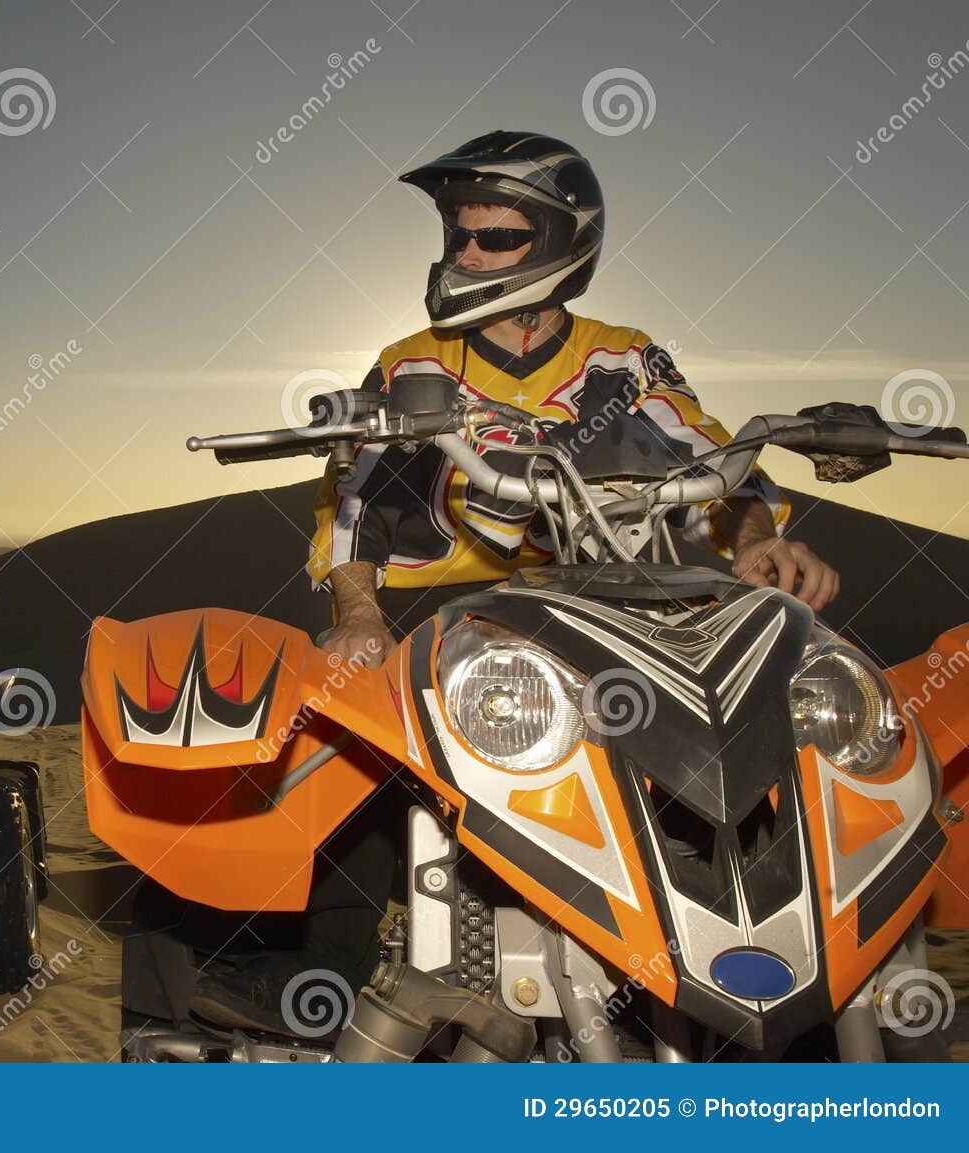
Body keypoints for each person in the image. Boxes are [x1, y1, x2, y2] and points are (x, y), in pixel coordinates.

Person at [187, 130, 841, 1035]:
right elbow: (353, 495)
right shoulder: (414, 360)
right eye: (459, 234)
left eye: (494, 239)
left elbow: (715, 454)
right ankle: (318, 976)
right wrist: (360, 610)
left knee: (747, 719)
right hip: (435, 605)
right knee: (348, 726)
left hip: (600, 602)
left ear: (560, 243)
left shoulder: (624, 359)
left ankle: (756, 982)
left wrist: (758, 538)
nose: (464, 254)